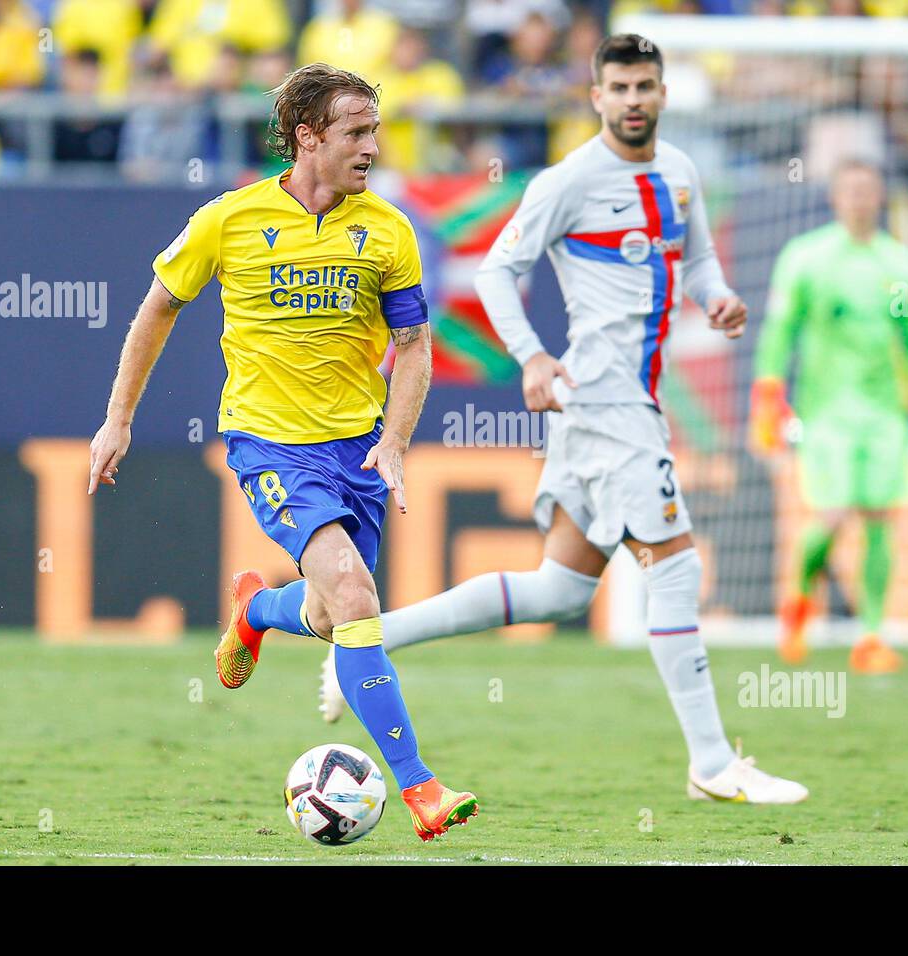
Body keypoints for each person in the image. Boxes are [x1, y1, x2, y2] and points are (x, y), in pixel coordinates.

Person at [322, 34, 809, 806]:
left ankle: (371, 640)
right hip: (605, 403)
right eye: (619, 88)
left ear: (662, 92)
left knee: (557, 592)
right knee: (676, 568)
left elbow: (702, 259)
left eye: (645, 85)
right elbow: (493, 270)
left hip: (624, 407)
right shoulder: (571, 179)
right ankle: (712, 760)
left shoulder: (680, 174)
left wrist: (716, 296)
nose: (634, 100)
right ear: (597, 97)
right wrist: (532, 357)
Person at [87, 63, 478, 842]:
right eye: (357, 132)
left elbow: (413, 347)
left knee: (335, 617)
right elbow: (157, 309)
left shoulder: (389, 230)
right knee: (356, 595)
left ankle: (257, 611)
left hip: (358, 447)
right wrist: (117, 419)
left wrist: (396, 441)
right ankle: (421, 788)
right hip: (268, 442)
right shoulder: (229, 220)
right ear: (308, 136)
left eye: (376, 130)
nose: (373, 146)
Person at [750, 159, 908, 674]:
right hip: (826, 413)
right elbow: (779, 332)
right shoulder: (807, 258)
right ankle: (797, 600)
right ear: (835, 197)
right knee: (831, 518)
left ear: (879, 196)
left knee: (882, 518)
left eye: (867, 189)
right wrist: (768, 394)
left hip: (885, 413)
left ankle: (872, 636)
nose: (859, 199)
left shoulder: (901, 264)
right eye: (849, 190)